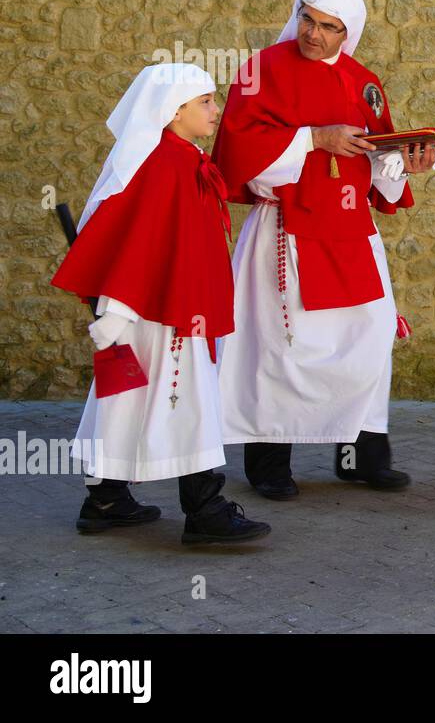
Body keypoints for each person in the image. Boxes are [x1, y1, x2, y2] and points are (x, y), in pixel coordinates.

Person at [213, 0, 435, 500]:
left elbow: (380, 165)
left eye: (328, 27)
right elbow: (239, 152)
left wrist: (406, 164)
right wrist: (315, 139)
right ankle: (269, 465)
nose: (313, 34)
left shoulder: (365, 82)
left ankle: (363, 456)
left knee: (369, 338)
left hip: (351, 231)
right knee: (281, 347)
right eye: (307, 19)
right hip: (285, 227)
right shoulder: (261, 70)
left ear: (348, 32)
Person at [51, 62, 271, 543]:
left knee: (126, 399)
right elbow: (140, 241)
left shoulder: (178, 157)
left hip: (162, 305)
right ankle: (205, 510)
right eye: (206, 102)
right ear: (174, 112)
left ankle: (106, 498)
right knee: (188, 401)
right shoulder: (165, 164)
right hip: (163, 311)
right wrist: (120, 309)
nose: (216, 110)